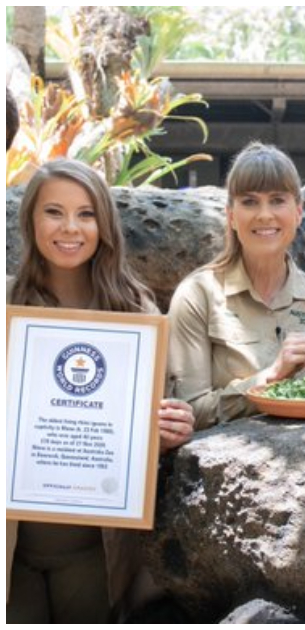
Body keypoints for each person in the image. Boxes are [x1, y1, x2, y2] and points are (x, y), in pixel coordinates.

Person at [6, 159, 196, 622]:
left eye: (86, 214)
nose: (70, 228)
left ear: (105, 224)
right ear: (31, 220)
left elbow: (148, 423)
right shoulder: (7, 305)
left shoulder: (135, 312)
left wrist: (167, 430)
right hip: (11, 550)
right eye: (54, 212)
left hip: (98, 550)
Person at [168, 142, 305, 430]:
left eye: (277, 200)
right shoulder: (198, 295)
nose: (264, 215)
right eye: (249, 201)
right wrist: (271, 377)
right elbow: (188, 412)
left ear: (298, 212)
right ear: (231, 215)